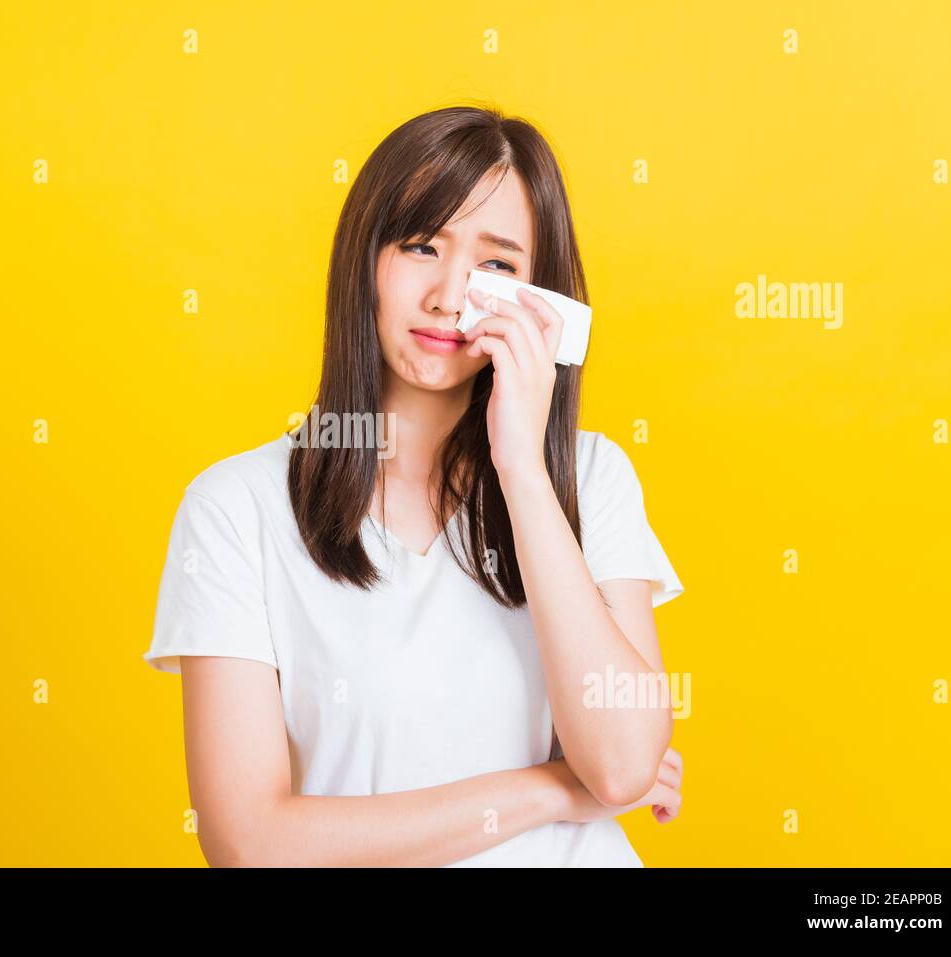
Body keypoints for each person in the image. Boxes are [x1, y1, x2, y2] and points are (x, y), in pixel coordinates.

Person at [144, 104, 685, 867]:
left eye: (497, 265)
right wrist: (556, 790)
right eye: (421, 245)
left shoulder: (589, 478)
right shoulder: (235, 509)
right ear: (364, 258)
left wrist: (522, 469)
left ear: (543, 300)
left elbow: (625, 764)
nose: (447, 294)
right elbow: (250, 843)